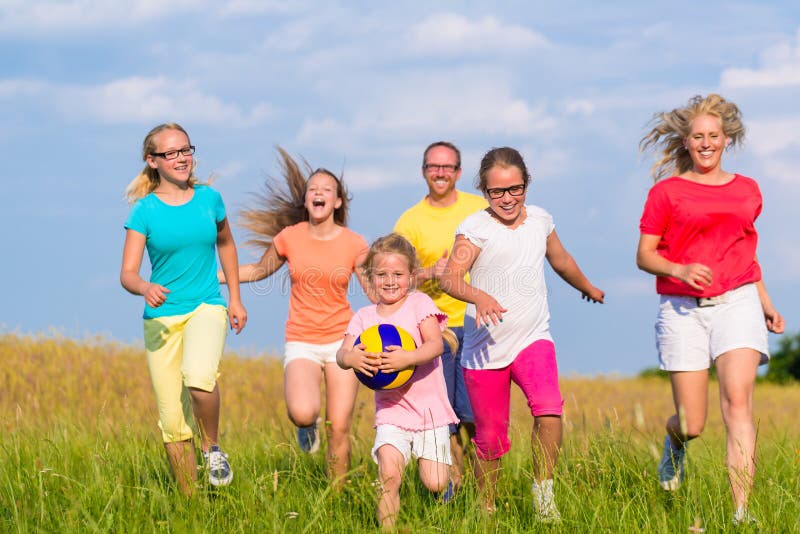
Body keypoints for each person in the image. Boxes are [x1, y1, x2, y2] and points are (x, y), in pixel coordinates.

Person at [636, 94, 785, 526]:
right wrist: (678, 268)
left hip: (738, 302)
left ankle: (742, 512)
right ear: (685, 141)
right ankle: (675, 444)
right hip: (682, 309)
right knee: (693, 421)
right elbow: (644, 255)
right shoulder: (666, 193)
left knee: (738, 403)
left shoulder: (747, 190)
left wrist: (766, 304)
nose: (706, 143)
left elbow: (744, 253)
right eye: (698, 136)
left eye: (713, 136)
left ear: (726, 140)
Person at [439, 147, 604, 522]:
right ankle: (487, 509)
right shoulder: (475, 229)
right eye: (497, 192)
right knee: (491, 440)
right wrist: (478, 295)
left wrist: (588, 286)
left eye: (515, 188)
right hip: (485, 349)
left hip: (533, 337)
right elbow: (450, 277)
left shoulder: (540, 220)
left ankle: (543, 494)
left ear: (526, 185)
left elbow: (560, 258)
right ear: (484, 191)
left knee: (549, 410)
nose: (507, 198)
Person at [219, 148, 369, 483]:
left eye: (326, 190)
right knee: (303, 413)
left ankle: (337, 495)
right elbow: (259, 270)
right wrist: (211, 276)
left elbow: (376, 290)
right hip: (302, 338)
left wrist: (418, 281)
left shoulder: (354, 243)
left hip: (342, 340)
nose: (318, 193)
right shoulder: (290, 237)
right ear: (306, 200)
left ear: (338, 202)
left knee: (340, 426)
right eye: (313, 189)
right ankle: (306, 427)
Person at [120, 123, 247, 496]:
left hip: (207, 305)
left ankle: (212, 448)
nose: (182, 158)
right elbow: (127, 273)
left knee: (199, 376)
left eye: (186, 150)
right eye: (171, 153)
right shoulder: (143, 211)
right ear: (153, 160)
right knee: (172, 421)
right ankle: (189, 505)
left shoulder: (210, 200)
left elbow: (226, 244)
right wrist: (145, 286)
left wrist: (235, 298)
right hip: (161, 320)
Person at [337, 233, 458, 529]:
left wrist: (407, 358)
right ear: (370, 277)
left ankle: (446, 487)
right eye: (381, 274)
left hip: (430, 410)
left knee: (434, 481)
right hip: (392, 411)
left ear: (411, 276)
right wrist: (350, 359)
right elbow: (342, 354)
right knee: (389, 477)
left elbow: (435, 345)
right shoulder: (365, 317)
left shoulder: (419, 303)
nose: (390, 281)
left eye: (398, 274)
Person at [393, 141, 487, 490]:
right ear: (423, 172)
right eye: (434, 167)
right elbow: (395, 275)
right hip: (436, 331)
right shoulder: (410, 221)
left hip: (479, 325)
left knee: (475, 416)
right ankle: (452, 490)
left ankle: (484, 496)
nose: (440, 173)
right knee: (444, 419)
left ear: (459, 172)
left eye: (447, 167)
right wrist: (432, 272)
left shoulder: (479, 209)